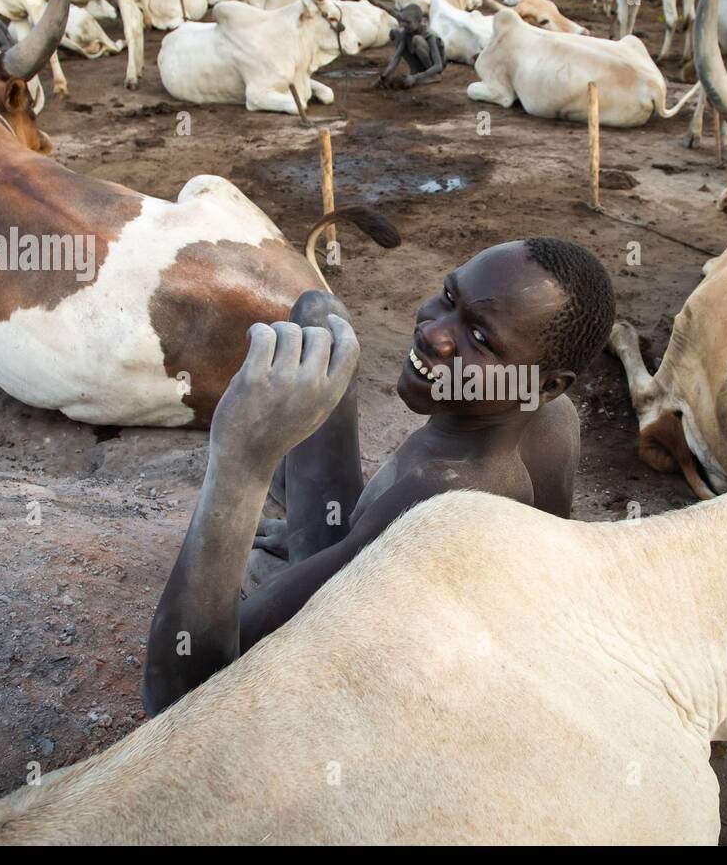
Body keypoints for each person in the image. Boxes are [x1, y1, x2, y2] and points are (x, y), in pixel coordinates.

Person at [142, 238, 616, 714]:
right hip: (372, 558)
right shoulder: (555, 416)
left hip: (358, 612)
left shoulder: (441, 495)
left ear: (547, 384)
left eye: (481, 339)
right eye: (449, 298)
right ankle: (313, 529)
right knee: (319, 314)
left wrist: (240, 466)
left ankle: (290, 507)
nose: (435, 333)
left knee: (311, 340)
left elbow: (183, 695)